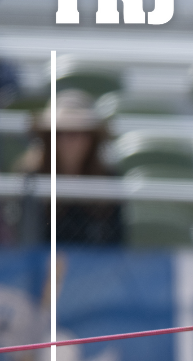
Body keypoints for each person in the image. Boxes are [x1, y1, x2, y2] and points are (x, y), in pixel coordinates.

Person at [13, 89, 123, 245]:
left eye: (77, 132)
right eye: (59, 133)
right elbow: (26, 241)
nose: (68, 141)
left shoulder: (109, 179)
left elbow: (116, 244)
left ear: (91, 138)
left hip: (96, 268)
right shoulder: (32, 177)